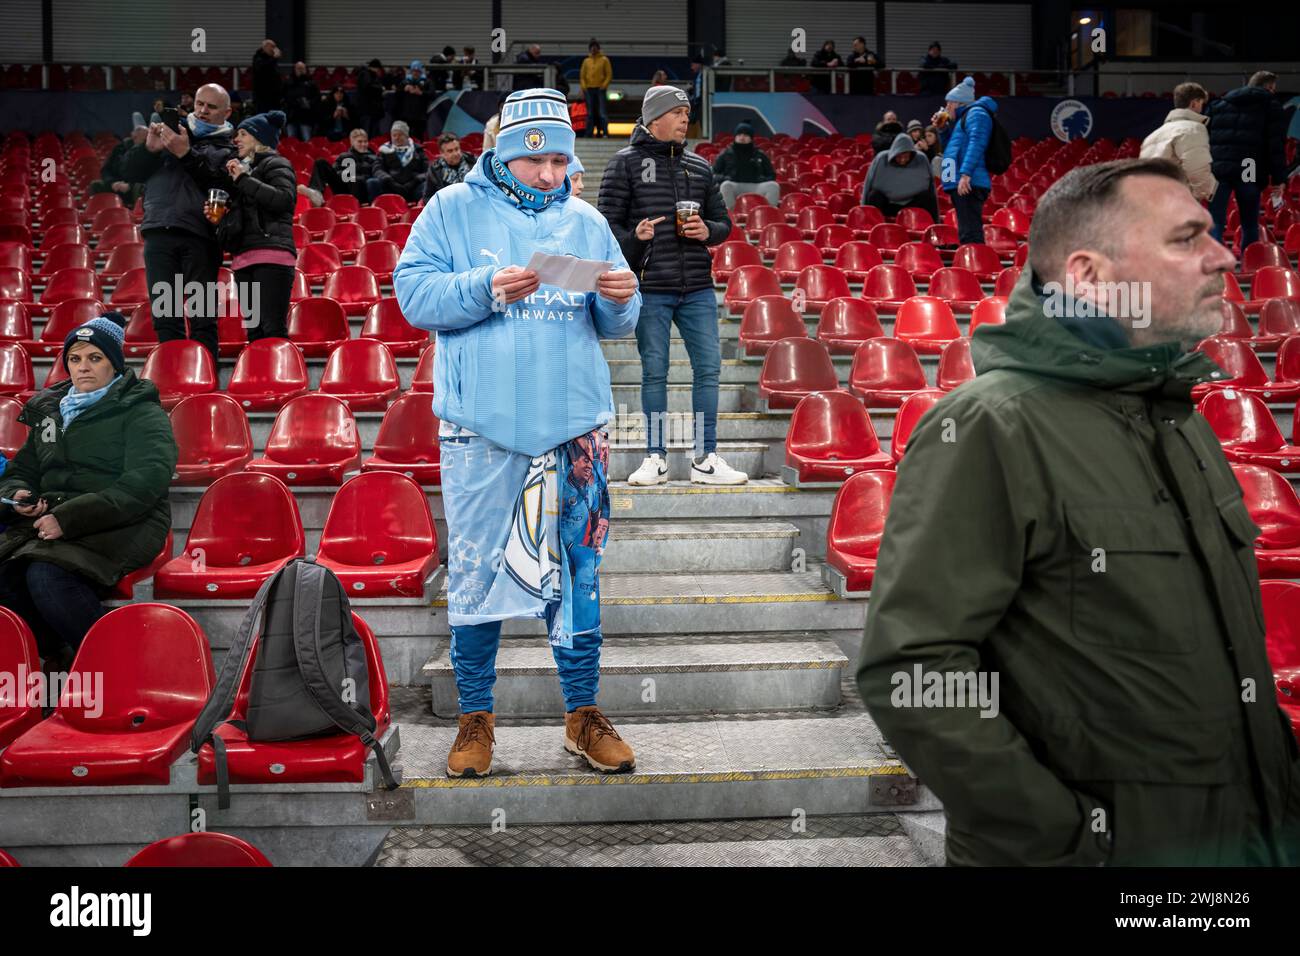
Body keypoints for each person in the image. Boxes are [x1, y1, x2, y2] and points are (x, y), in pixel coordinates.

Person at [856, 156, 1300, 866]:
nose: (1223, 257)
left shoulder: (1179, 419)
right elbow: (911, 667)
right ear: (1090, 278)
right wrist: (1060, 838)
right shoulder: (990, 427)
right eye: (1187, 240)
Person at [393, 88, 642, 779]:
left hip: (574, 431)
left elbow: (617, 322)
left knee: (580, 576)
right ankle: (477, 719)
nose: (551, 174)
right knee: (477, 574)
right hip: (483, 431)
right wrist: (484, 287)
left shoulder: (587, 220)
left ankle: (582, 716)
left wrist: (623, 301)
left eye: (562, 160)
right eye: (538, 161)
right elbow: (413, 296)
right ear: (506, 155)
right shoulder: (450, 209)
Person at [0, 313, 177, 671]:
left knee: (47, 575)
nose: (83, 367)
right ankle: (60, 655)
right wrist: (19, 495)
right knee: (5, 575)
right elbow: (22, 470)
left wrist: (68, 518)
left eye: (95, 358)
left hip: (123, 520)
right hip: (53, 518)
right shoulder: (50, 412)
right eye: (75, 358)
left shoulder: (142, 411)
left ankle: (123, 668)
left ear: (114, 363)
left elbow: (146, 481)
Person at [598, 85, 747, 486]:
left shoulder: (699, 166)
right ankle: (655, 457)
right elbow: (605, 227)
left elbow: (723, 223)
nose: (685, 119)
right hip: (651, 286)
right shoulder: (624, 163)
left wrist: (706, 231)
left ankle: (706, 457)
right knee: (655, 372)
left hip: (697, 285)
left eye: (687, 112)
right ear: (655, 118)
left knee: (709, 370)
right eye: (678, 112)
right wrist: (635, 237)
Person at [123, 83, 237, 364]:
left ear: (227, 111)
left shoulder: (230, 149)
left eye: (211, 107)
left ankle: (205, 378)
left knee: (202, 315)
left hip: (202, 236)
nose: (203, 111)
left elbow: (222, 185)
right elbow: (128, 173)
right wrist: (148, 150)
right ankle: (173, 376)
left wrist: (186, 154)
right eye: (199, 104)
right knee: (166, 315)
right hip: (159, 231)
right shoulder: (169, 135)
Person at [205, 111, 296, 343]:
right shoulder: (242, 172)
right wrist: (221, 219)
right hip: (244, 260)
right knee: (254, 332)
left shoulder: (277, 163)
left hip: (272, 257)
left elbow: (284, 200)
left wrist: (244, 181)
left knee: (272, 328)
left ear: (259, 138)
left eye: (243, 134)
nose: (236, 139)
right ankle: (259, 379)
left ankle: (279, 379)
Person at [1206, 70, 1288, 252]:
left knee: (1215, 218)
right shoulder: (1271, 105)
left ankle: (1212, 266)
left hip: (1219, 166)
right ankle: (1249, 261)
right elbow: (1275, 145)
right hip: (1248, 165)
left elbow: (1205, 137)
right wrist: (1279, 178)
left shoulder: (1220, 103)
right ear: (1269, 87)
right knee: (1249, 220)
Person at [935, 76, 996, 245]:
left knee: (970, 233)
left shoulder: (976, 114)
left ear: (959, 103)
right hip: (960, 181)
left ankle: (975, 268)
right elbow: (951, 150)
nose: (946, 108)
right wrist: (942, 130)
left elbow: (977, 143)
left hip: (969, 182)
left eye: (949, 104)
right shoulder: (963, 118)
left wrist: (966, 173)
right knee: (967, 231)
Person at [1140, 81, 1217, 203]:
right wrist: (1205, 193)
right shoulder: (1192, 128)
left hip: (1153, 199)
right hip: (1177, 199)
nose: (1201, 108)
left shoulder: (1154, 135)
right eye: (1201, 103)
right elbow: (1197, 169)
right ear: (1194, 103)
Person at [862, 132, 939, 221]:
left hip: (913, 205)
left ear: (911, 154)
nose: (903, 160)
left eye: (906, 156)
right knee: (874, 196)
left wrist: (937, 221)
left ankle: (932, 230)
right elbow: (867, 188)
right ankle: (873, 228)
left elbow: (931, 189)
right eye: (899, 156)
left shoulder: (921, 159)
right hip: (888, 205)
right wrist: (863, 213)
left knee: (927, 197)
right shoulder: (881, 159)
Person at [711, 121, 779, 210]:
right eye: (739, 135)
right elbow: (713, 174)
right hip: (735, 185)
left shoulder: (759, 154)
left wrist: (762, 179)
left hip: (756, 186)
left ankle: (768, 213)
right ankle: (730, 217)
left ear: (751, 138)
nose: (742, 137)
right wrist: (725, 178)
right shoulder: (726, 153)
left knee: (773, 186)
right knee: (726, 185)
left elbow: (771, 175)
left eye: (746, 135)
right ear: (735, 137)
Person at [301, 128, 377, 206]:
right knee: (320, 162)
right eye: (360, 141)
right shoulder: (344, 156)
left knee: (354, 177)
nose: (363, 144)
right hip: (343, 187)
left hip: (361, 190)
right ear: (352, 142)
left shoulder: (373, 157)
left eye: (365, 141)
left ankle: (355, 203)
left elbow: (375, 176)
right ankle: (316, 193)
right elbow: (334, 172)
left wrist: (354, 174)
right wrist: (344, 174)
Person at [367, 121, 428, 202]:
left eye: (400, 135)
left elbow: (428, 170)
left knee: (426, 186)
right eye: (394, 135)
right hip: (390, 185)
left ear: (406, 136)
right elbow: (377, 169)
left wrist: (415, 181)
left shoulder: (418, 150)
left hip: (413, 186)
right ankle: (376, 209)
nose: (396, 138)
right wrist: (389, 180)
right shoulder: (384, 151)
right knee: (372, 182)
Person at [89, 124, 146, 206]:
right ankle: (100, 213)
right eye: (136, 135)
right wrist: (112, 183)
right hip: (115, 183)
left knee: (140, 187)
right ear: (132, 135)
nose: (137, 138)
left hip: (133, 186)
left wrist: (129, 185)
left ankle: (137, 212)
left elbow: (145, 174)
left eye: (143, 138)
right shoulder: (119, 149)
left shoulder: (147, 152)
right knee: (96, 185)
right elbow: (105, 170)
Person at [422, 132, 476, 200]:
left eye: (457, 149)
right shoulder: (435, 170)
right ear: (442, 153)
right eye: (450, 151)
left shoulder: (473, 161)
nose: (456, 153)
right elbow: (427, 197)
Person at [580, 40, 612, 138]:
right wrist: (584, 87)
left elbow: (609, 74)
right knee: (590, 113)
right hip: (589, 89)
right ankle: (589, 133)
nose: (593, 49)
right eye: (592, 47)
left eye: (595, 47)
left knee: (601, 112)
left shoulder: (604, 60)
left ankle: (605, 132)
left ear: (598, 48)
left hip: (600, 89)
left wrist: (604, 86)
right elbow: (582, 75)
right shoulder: (586, 61)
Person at [282, 61, 319, 141]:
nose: (300, 70)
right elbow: (284, 97)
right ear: (294, 69)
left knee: (307, 140)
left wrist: (308, 103)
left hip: (306, 117)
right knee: (291, 141)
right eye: (298, 68)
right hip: (292, 117)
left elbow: (316, 98)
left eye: (302, 68)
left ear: (306, 69)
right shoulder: (288, 82)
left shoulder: (311, 83)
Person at [354, 58, 386, 137]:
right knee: (367, 133)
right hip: (368, 111)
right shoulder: (365, 75)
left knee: (373, 133)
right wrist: (380, 89)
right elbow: (368, 87)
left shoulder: (370, 76)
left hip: (372, 111)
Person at [397, 61, 430, 134]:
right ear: (411, 71)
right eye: (414, 71)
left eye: (418, 71)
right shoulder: (404, 82)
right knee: (406, 135)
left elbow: (432, 94)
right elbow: (397, 94)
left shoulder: (427, 82)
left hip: (420, 116)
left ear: (421, 72)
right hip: (406, 115)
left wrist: (421, 93)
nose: (415, 73)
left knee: (419, 136)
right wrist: (404, 89)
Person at [251, 39, 282, 114]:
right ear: (265, 47)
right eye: (272, 47)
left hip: (274, 96)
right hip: (263, 95)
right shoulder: (258, 58)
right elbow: (264, 69)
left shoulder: (271, 60)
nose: (274, 49)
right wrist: (274, 58)